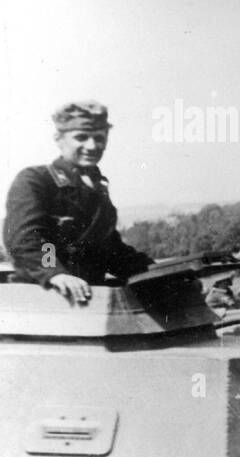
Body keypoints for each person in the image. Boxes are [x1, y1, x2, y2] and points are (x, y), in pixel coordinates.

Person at [3, 100, 153, 304]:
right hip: (40, 299)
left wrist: (160, 271)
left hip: (88, 303)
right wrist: (54, 273)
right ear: (59, 139)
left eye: (99, 138)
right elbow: (30, 238)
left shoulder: (97, 189)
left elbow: (111, 250)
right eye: (81, 137)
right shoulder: (36, 181)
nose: (92, 146)